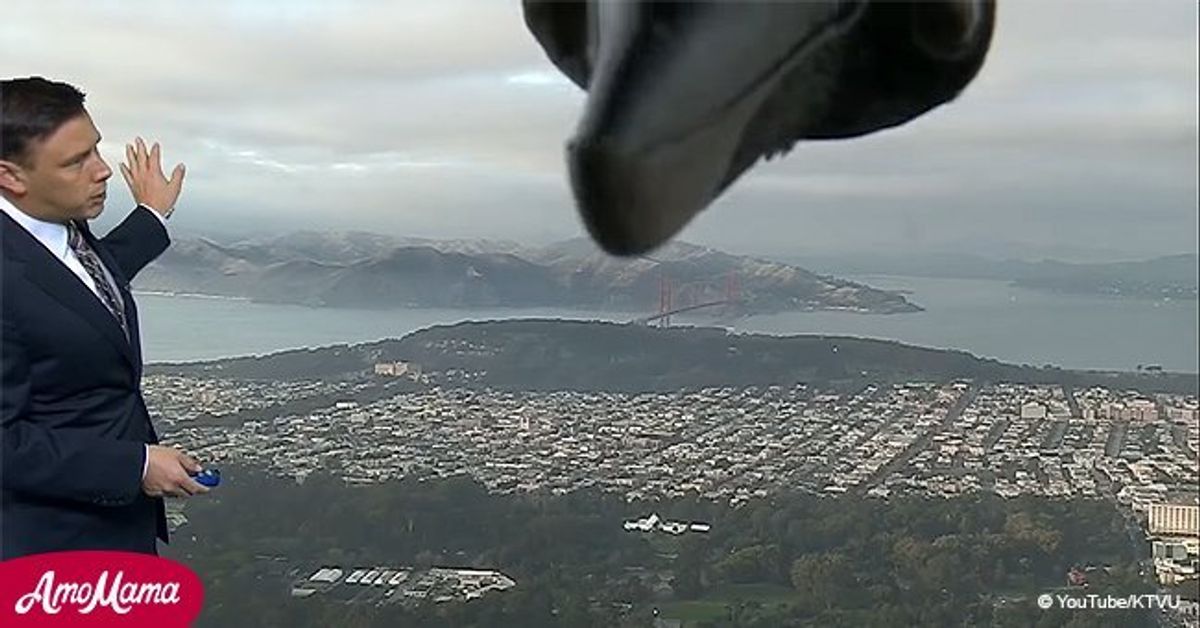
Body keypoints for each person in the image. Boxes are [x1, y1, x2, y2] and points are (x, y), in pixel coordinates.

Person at [1, 76, 209, 559]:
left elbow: (79, 284)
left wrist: (152, 215)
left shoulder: (56, 224)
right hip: (51, 546)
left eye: (95, 148)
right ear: (11, 177)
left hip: (114, 527)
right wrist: (134, 466)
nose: (103, 171)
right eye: (76, 162)